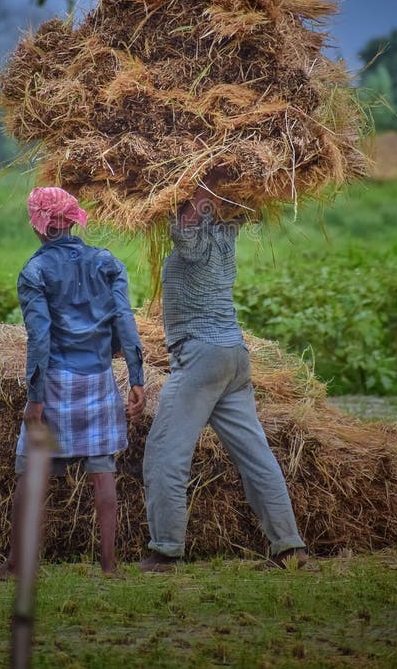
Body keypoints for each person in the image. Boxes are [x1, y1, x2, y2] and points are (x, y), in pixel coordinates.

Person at [140, 170, 307, 571]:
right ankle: (290, 549)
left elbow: (185, 225)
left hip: (201, 357)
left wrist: (199, 181)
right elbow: (202, 214)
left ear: (202, 212)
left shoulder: (194, 243)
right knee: (255, 456)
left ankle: (164, 551)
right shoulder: (226, 237)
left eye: (186, 209)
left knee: (164, 453)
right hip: (233, 356)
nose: (177, 212)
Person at [0, 186, 145, 579]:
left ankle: (17, 564)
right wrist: (137, 377)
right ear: (73, 220)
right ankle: (109, 566)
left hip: (56, 383)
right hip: (98, 379)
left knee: (32, 470)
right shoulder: (107, 263)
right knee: (103, 469)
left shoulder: (34, 272)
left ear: (38, 226)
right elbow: (124, 321)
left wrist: (35, 399)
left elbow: (39, 339)